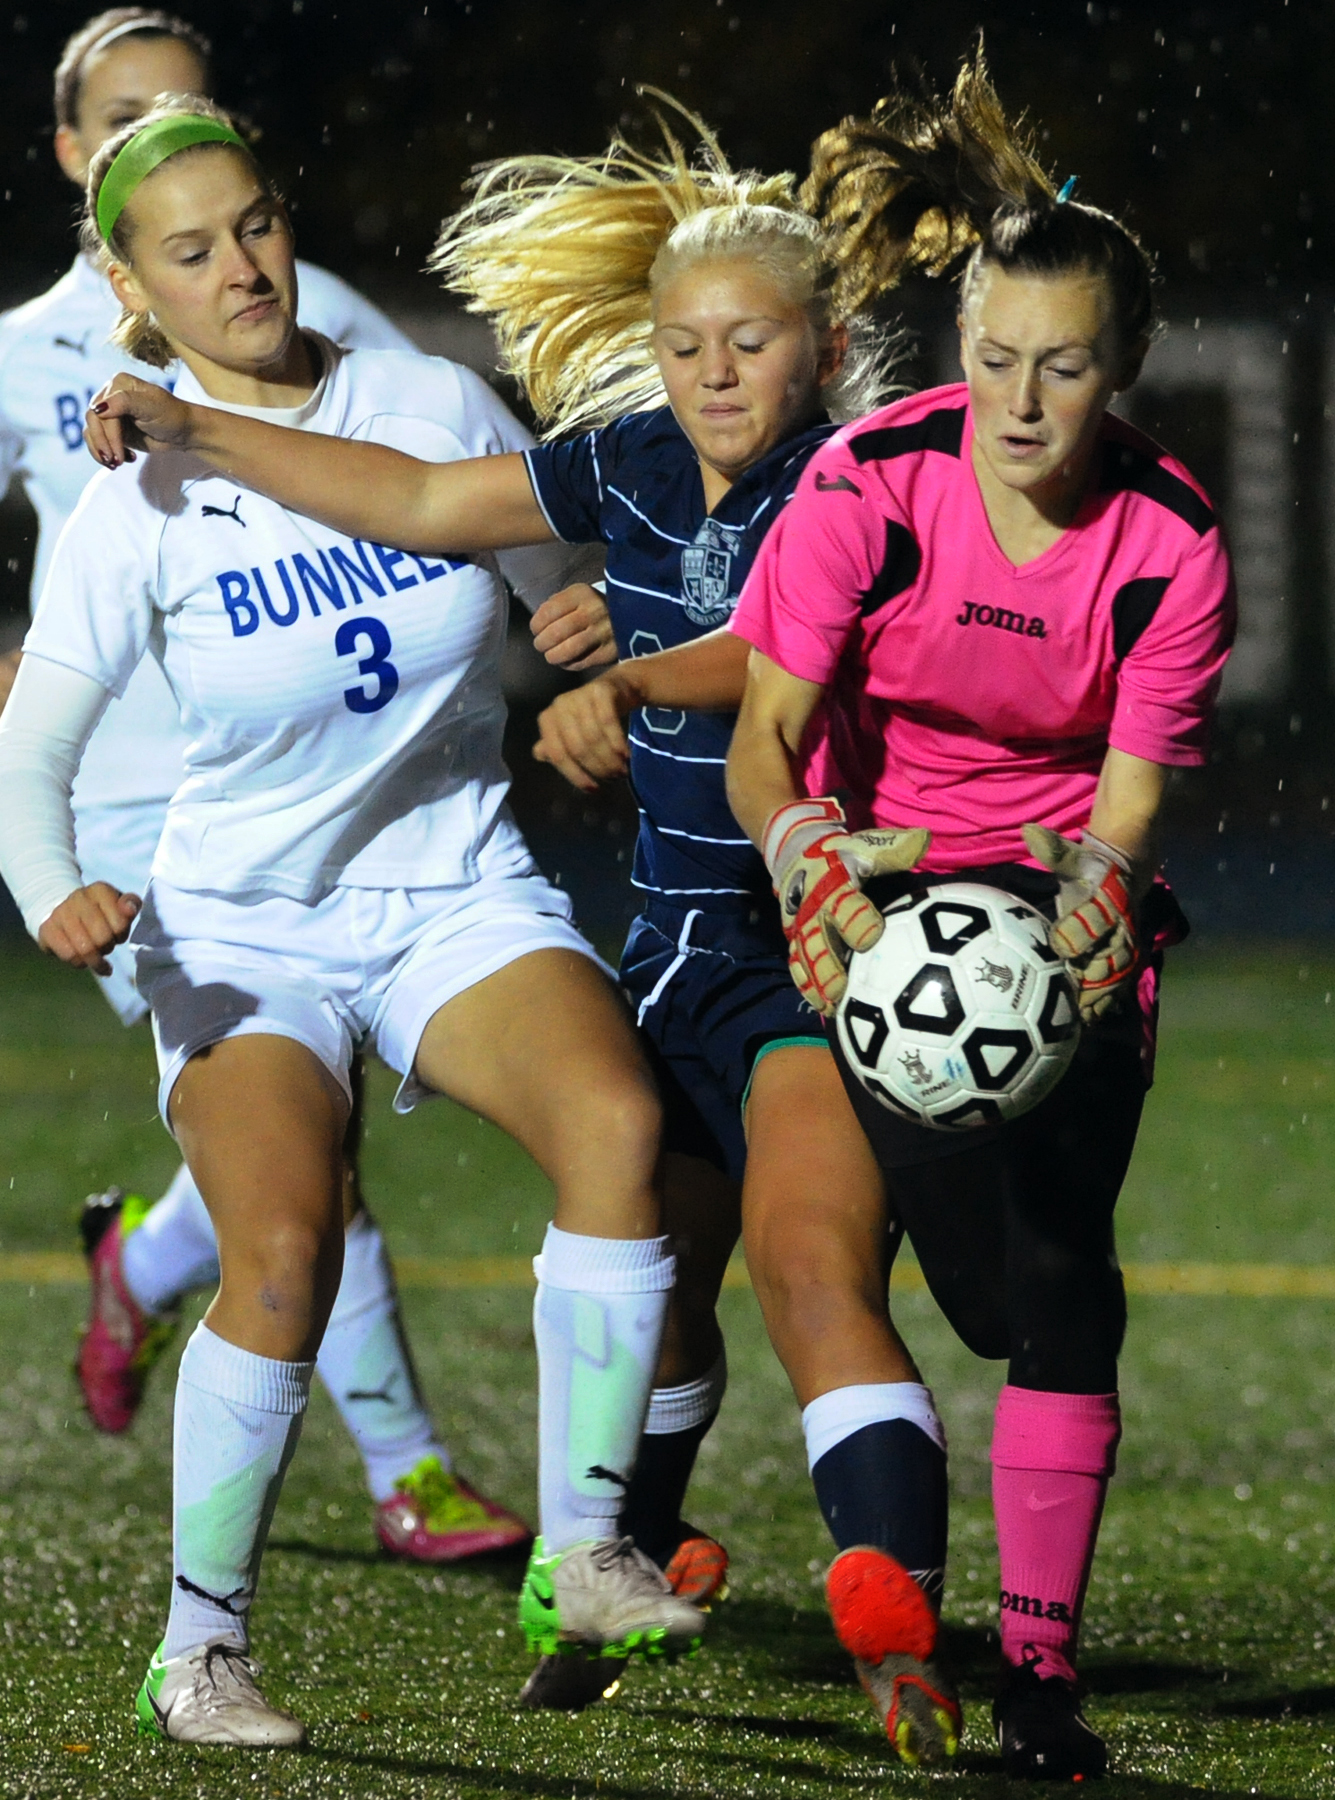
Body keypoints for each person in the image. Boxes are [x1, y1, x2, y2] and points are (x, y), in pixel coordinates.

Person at [81, 96, 963, 1764]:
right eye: (683, 343)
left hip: (815, 949)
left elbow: (784, 644)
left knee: (809, 1270)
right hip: (672, 950)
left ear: (824, 347)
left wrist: (623, 667)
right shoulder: (629, 462)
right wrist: (205, 435)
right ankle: (595, 1569)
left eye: (751, 341)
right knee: (664, 1267)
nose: (712, 374)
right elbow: (424, 505)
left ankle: (907, 1625)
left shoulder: (865, 482)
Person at [0, 96, 704, 1746]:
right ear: (132, 290)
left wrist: (591, 666)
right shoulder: (138, 494)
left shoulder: (430, 396)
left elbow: (549, 597)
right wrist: (54, 889)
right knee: (288, 1246)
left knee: (616, 1121)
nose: (242, 266)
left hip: (454, 887)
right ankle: (201, 1651)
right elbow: (30, 752)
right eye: (192, 250)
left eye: (254, 221)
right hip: (242, 924)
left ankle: (586, 1553)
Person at [721, 56, 1236, 1779]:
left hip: (1047, 917)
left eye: (1064, 367)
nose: (1019, 400)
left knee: (1058, 1289)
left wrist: (1096, 908)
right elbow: (766, 742)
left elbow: (1127, 820)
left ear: (1125, 371)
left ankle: (1041, 1678)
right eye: (994, 356)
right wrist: (808, 860)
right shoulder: (872, 483)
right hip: (873, 908)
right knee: (973, 1293)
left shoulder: (1171, 545)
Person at [0, 6, 534, 1563]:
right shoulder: (28, 352)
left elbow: (428, 468)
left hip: (318, 793)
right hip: (122, 807)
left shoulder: (316, 311)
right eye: (121, 113)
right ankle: (409, 1475)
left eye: (188, 101)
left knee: (296, 1154)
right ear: (68, 157)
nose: (160, 124)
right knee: (312, 1158)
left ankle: (148, 1269)